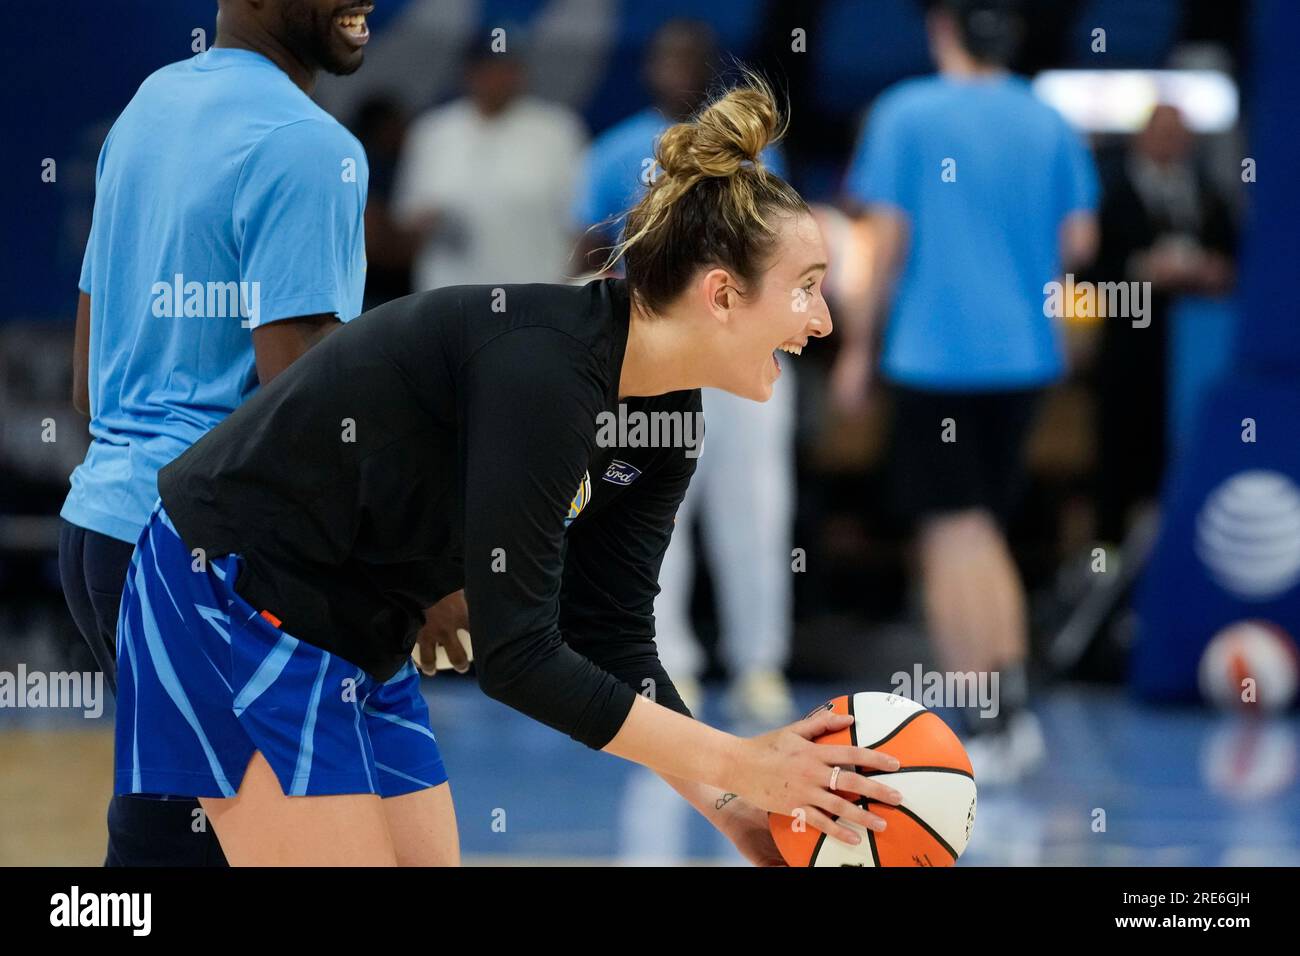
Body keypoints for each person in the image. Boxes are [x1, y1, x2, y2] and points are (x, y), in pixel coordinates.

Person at [113, 77, 905, 866]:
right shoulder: (545, 369)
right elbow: (518, 655)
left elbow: (611, 636)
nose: (824, 320)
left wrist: (733, 808)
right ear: (723, 295)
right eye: (805, 289)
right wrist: (742, 762)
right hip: (229, 592)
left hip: (357, 626)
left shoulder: (665, 418)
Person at [59, 0, 379, 865]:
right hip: (209, 556)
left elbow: (86, 382)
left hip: (102, 533)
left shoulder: (149, 107)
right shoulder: (311, 147)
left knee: (178, 839)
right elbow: (305, 417)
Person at [830, 0, 1099, 782]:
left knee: (952, 535)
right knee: (982, 526)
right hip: (1023, 358)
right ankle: (1008, 711)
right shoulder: (1047, 119)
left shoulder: (906, 112)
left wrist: (857, 349)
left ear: (941, 27)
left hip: (935, 355)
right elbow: (1079, 241)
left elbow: (884, 240)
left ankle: (984, 722)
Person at [572, 21, 799, 722]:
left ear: (709, 70)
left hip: (741, 353)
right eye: (666, 58)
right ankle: (665, 663)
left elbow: (780, 250)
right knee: (650, 509)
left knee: (755, 510)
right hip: (655, 354)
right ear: (650, 70)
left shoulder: (750, 151)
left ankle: (759, 665)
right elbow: (586, 254)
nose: (678, 70)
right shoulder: (616, 151)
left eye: (691, 60)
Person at [1091, 103, 1236, 544]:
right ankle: (1109, 570)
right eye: (1162, 132)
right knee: (1119, 465)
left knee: (1181, 459)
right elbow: (1088, 274)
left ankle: (1179, 554)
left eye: (1179, 134)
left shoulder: (1209, 196)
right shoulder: (1112, 196)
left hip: (1197, 354)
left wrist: (1212, 272)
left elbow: (1233, 260)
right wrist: (1143, 272)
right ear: (1141, 138)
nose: (1171, 143)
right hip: (1130, 349)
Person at [393, 35, 586, 290]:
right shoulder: (433, 131)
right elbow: (405, 222)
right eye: (488, 68)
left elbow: (583, 224)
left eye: (507, 69)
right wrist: (426, 223)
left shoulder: (558, 130)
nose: (497, 79)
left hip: (535, 302)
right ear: (468, 72)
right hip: (448, 303)